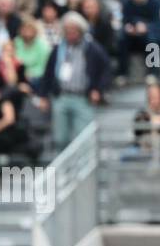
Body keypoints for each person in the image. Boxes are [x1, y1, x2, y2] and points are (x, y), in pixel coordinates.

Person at [37, 12, 110, 150]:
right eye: (67, 31)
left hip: (82, 97)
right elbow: (48, 73)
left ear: (81, 31)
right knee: (60, 138)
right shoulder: (59, 49)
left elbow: (106, 69)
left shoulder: (91, 48)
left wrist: (98, 89)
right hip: (61, 97)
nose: (70, 34)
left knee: (83, 137)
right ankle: (64, 170)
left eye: (74, 31)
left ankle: (85, 169)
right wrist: (43, 95)